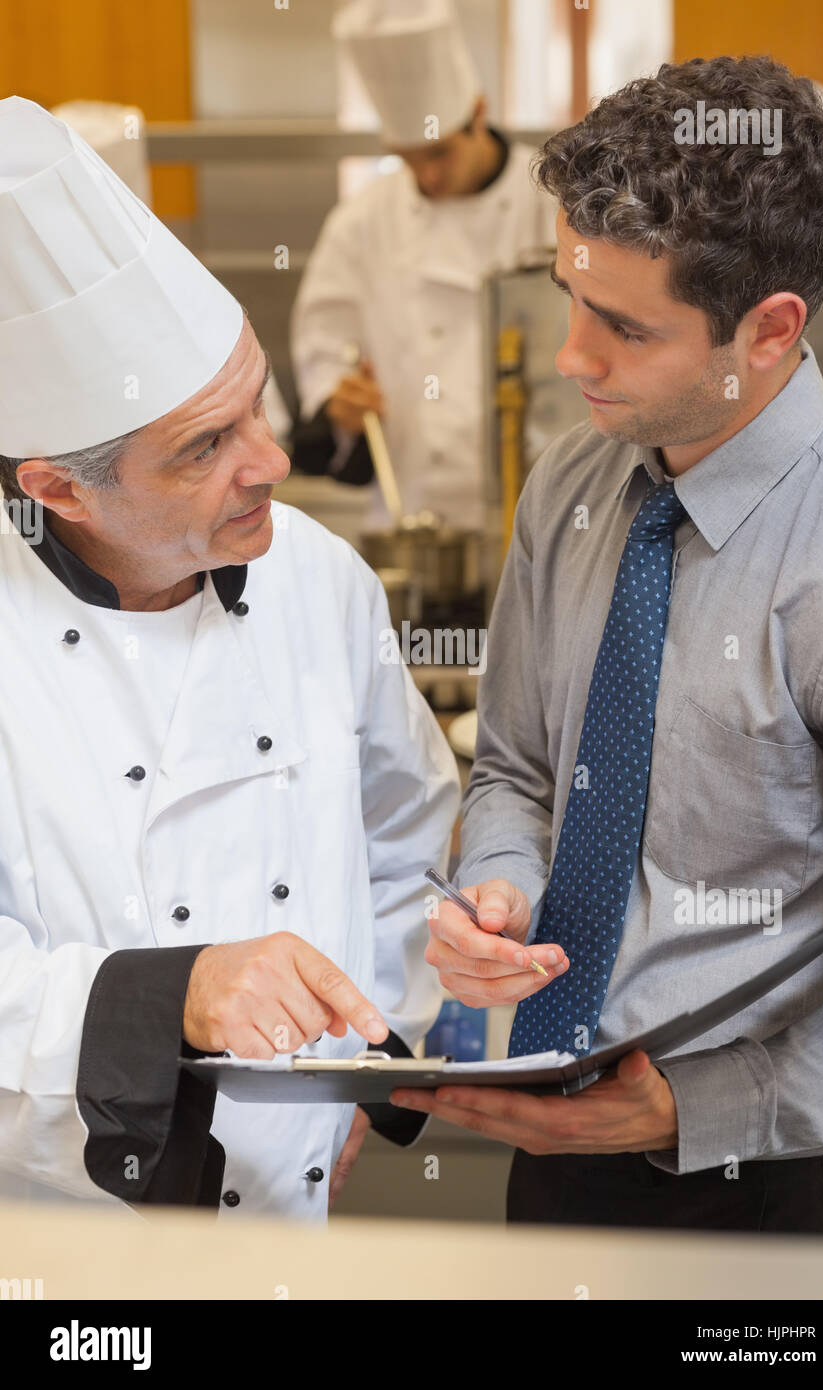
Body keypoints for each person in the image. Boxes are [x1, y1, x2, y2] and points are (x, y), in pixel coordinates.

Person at [390, 55, 823, 1236]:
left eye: (620, 325)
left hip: (786, 1178)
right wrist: (498, 890)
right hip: (554, 1150)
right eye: (566, 293)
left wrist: (690, 1106)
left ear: (765, 330)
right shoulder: (570, 487)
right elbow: (515, 769)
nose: (567, 356)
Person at [0, 95, 466, 1220]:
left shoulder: (317, 577)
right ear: (58, 486)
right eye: (204, 447)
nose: (269, 462)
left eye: (254, 405)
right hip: (50, 1228)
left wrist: (362, 1065)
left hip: (293, 1221)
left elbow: (405, 840)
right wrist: (169, 994)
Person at [289, 0, 554, 530]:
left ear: (478, 113)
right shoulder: (363, 220)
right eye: (408, 160)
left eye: (438, 155)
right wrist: (339, 398)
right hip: (407, 509)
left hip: (540, 503)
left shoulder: (551, 200)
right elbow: (324, 347)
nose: (426, 178)